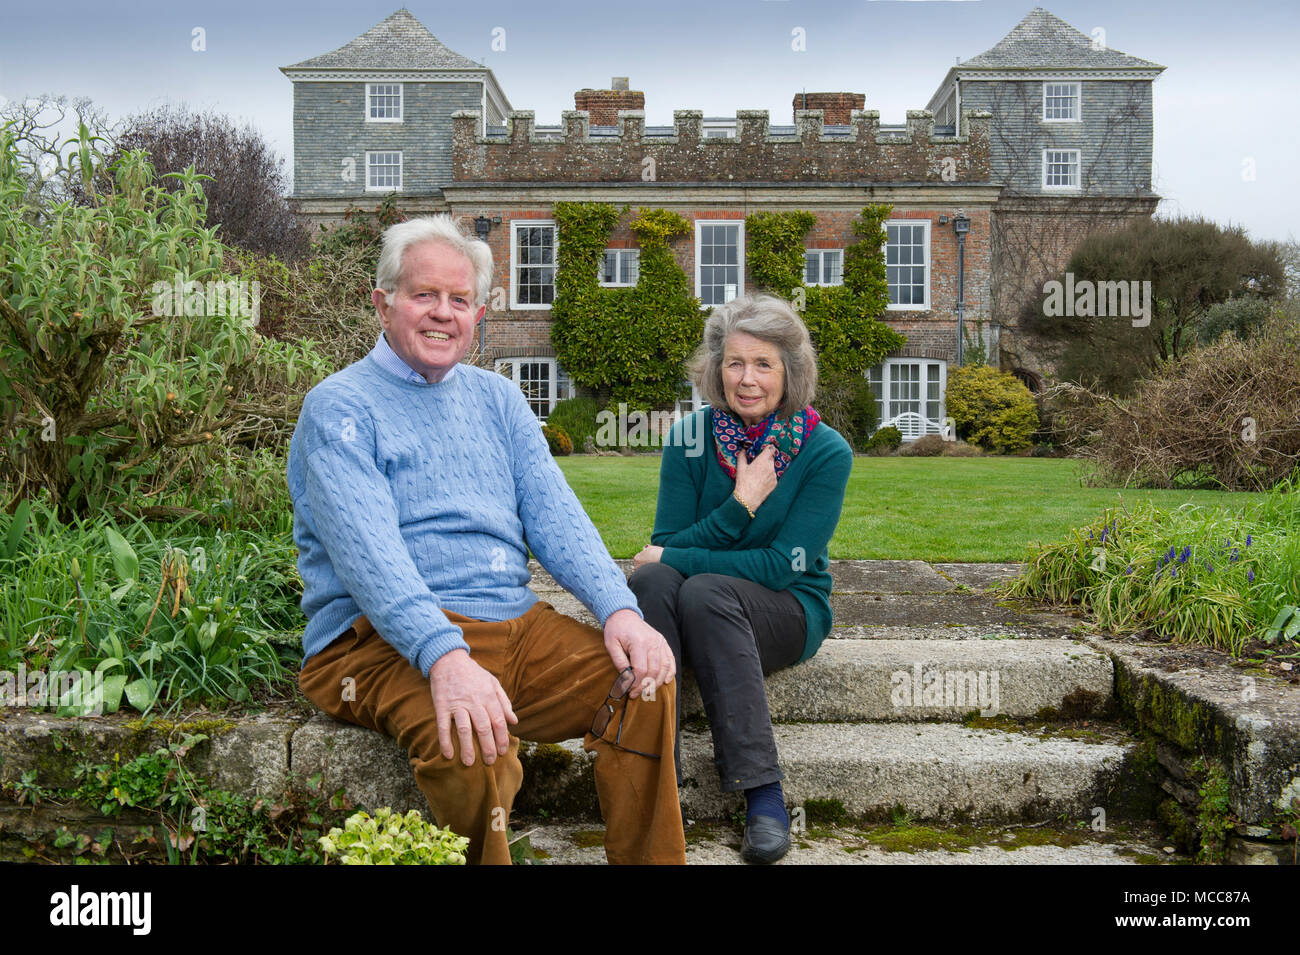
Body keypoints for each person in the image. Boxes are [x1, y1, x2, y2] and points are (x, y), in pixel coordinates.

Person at [287, 215, 684, 865]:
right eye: (424, 295)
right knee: (470, 741)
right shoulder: (340, 408)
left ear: (477, 313)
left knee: (643, 683)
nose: (443, 313)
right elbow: (371, 557)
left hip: (512, 626)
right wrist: (445, 658)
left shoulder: (499, 399)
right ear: (382, 304)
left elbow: (556, 515)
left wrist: (621, 610)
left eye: (460, 299)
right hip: (375, 642)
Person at [628, 293, 852, 865]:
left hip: (788, 607)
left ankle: (763, 794)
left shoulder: (826, 451)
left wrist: (699, 540)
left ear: (790, 372)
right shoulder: (689, 440)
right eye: (734, 363)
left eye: (763, 364)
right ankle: (657, 774)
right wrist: (740, 506)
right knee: (651, 588)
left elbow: (783, 565)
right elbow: (664, 552)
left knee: (697, 587)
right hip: (704, 607)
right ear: (715, 369)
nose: (746, 379)